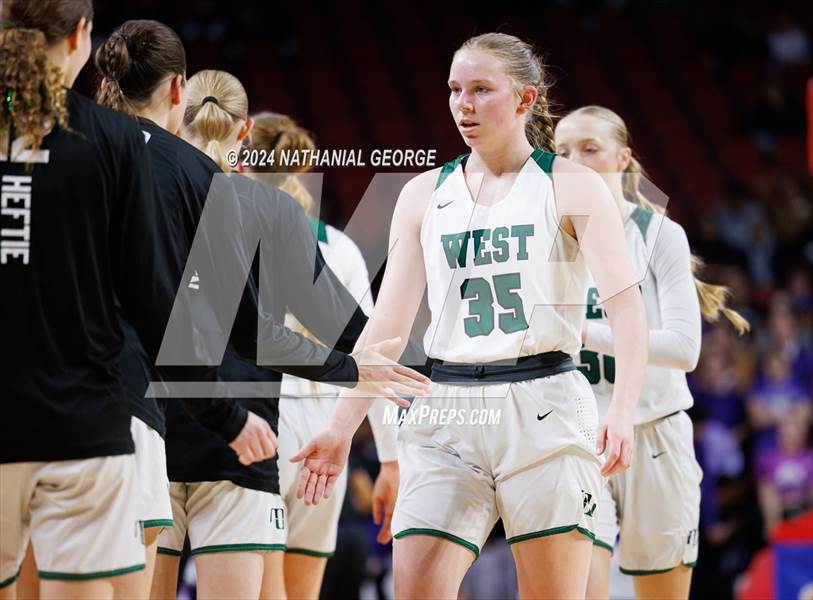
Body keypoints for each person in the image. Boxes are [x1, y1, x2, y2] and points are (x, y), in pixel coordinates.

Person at [291, 32, 649, 599]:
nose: (463, 104)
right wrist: (339, 428)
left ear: (526, 100)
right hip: (449, 406)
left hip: (545, 403)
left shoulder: (570, 185)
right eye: (456, 89)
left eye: (482, 90)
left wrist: (623, 408)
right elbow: (386, 329)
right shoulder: (421, 195)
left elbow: (628, 310)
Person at [0, 2, 253, 598]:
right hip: (92, 422)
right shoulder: (116, 142)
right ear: (81, 35)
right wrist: (225, 415)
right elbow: (155, 301)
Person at [555, 104, 750, 600]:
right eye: (561, 152)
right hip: (578, 442)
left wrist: (585, 331)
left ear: (623, 159)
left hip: (655, 431)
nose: (573, 162)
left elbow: (685, 349)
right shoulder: (546, 239)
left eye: (589, 149)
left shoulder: (659, 233)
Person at [243, 111, 400, 600]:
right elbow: (375, 359)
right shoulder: (342, 248)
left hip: (253, 423)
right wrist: (391, 462)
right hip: (323, 431)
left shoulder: (225, 234)